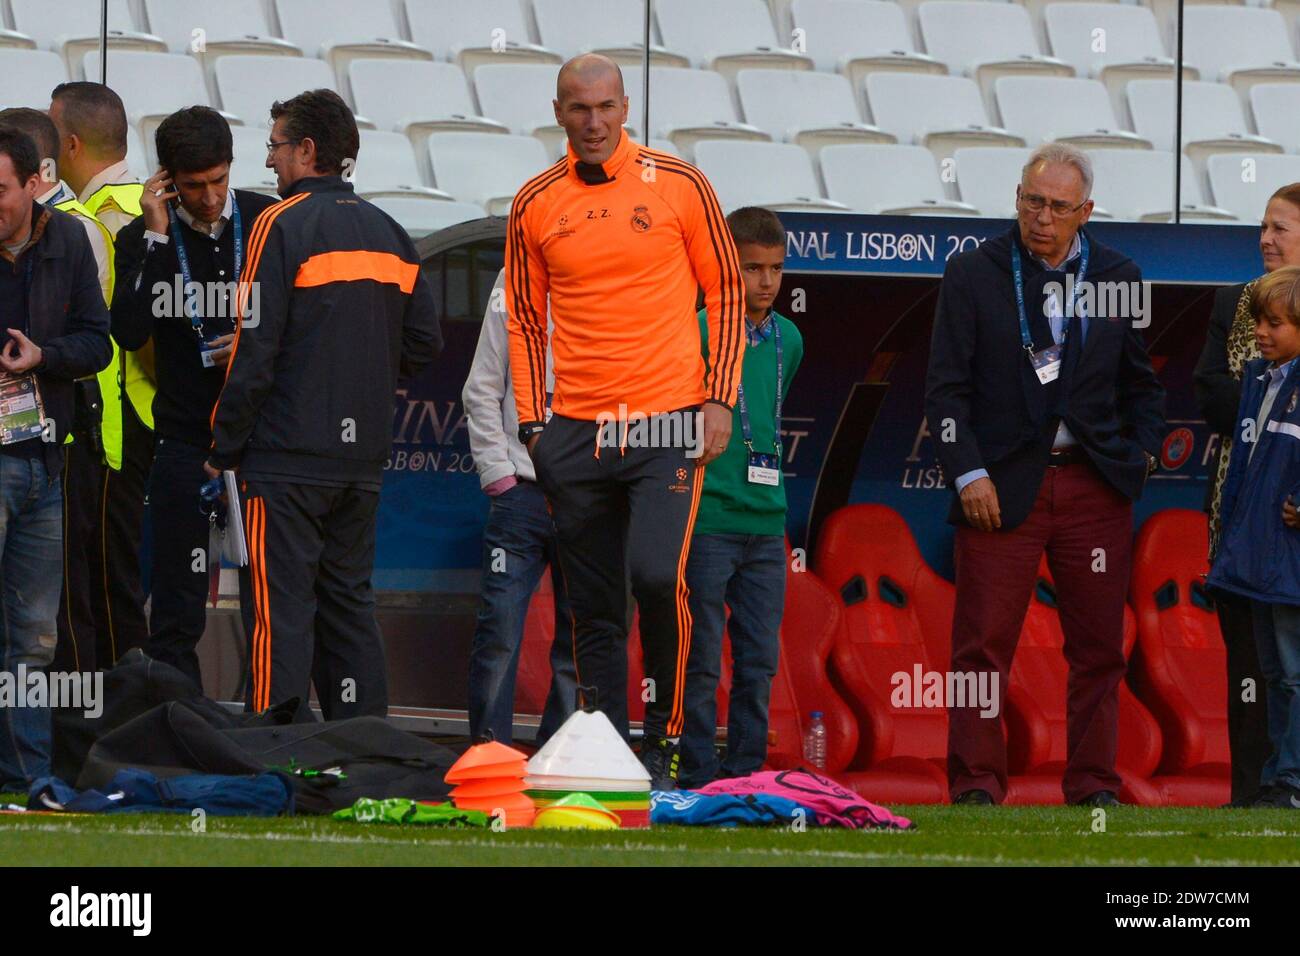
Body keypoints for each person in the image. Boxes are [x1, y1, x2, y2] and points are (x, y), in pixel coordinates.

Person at [505, 54, 744, 788]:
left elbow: (726, 288)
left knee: (653, 574)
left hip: (666, 419)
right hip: (576, 428)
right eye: (579, 108)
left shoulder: (680, 184)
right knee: (594, 607)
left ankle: (670, 741)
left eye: (606, 106)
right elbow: (523, 319)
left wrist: (719, 399)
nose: (594, 121)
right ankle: (608, 752)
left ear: (626, 105)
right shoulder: (535, 201)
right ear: (558, 111)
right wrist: (532, 425)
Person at [925, 142, 1165, 806]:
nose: (1043, 217)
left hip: (1093, 488)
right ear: (1017, 197)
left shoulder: (1119, 274)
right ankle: (975, 785)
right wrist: (967, 473)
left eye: (1059, 207)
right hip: (1001, 488)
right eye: (1034, 201)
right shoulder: (974, 273)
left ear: (1085, 211)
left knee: (1099, 649)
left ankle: (1092, 787)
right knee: (982, 647)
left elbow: (1142, 388)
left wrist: (1139, 454)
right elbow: (945, 393)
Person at [207, 89, 441, 719]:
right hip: (361, 460)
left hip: (283, 459)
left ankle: (271, 750)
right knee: (348, 606)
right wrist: (353, 366)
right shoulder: (392, 234)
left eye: (275, 148)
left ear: (307, 150)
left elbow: (255, 353)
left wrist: (222, 446)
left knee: (279, 611)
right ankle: (362, 746)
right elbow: (424, 342)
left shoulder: (278, 225)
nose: (270, 164)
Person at [111, 106, 276, 689]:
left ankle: (269, 716)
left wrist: (253, 347)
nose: (208, 198)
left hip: (260, 436)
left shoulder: (266, 219)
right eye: (192, 186)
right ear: (166, 182)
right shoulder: (145, 235)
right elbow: (127, 332)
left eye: (218, 181)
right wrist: (156, 234)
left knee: (269, 591)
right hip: (183, 436)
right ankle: (175, 719)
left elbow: (305, 324)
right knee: (179, 594)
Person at [0, 125, 112, 791]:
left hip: (45, 460)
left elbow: (98, 344)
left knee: (34, 640)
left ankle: (25, 778)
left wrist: (45, 358)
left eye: (2, 190)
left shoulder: (69, 239)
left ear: (33, 184)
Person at [678, 207, 802, 788]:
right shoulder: (696, 329)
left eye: (775, 269)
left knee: (759, 661)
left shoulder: (791, 339)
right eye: (753, 268)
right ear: (727, 265)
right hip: (707, 519)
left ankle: (746, 772)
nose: (766, 282)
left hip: (767, 521)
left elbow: (769, 422)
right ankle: (699, 775)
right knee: (701, 659)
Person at [1194, 182, 1300, 806]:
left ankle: (1288, 780)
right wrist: (1262, 410)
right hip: (1240, 517)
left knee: (1290, 666)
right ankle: (1253, 789)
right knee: (1254, 667)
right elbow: (1209, 392)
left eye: (1280, 227)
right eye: (1262, 226)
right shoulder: (1234, 300)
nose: (1265, 238)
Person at [49, 81, 152, 668]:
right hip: (145, 416)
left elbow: (112, 327)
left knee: (107, 582)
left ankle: (114, 714)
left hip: (118, 420)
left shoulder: (98, 220)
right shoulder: (147, 204)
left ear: (70, 142)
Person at [463, 268, 579, 748]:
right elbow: (482, 387)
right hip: (521, 498)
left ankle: (558, 763)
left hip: (590, 500)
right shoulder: (514, 283)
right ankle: (489, 763)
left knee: (580, 644)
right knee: (499, 635)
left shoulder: (623, 279)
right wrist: (500, 477)